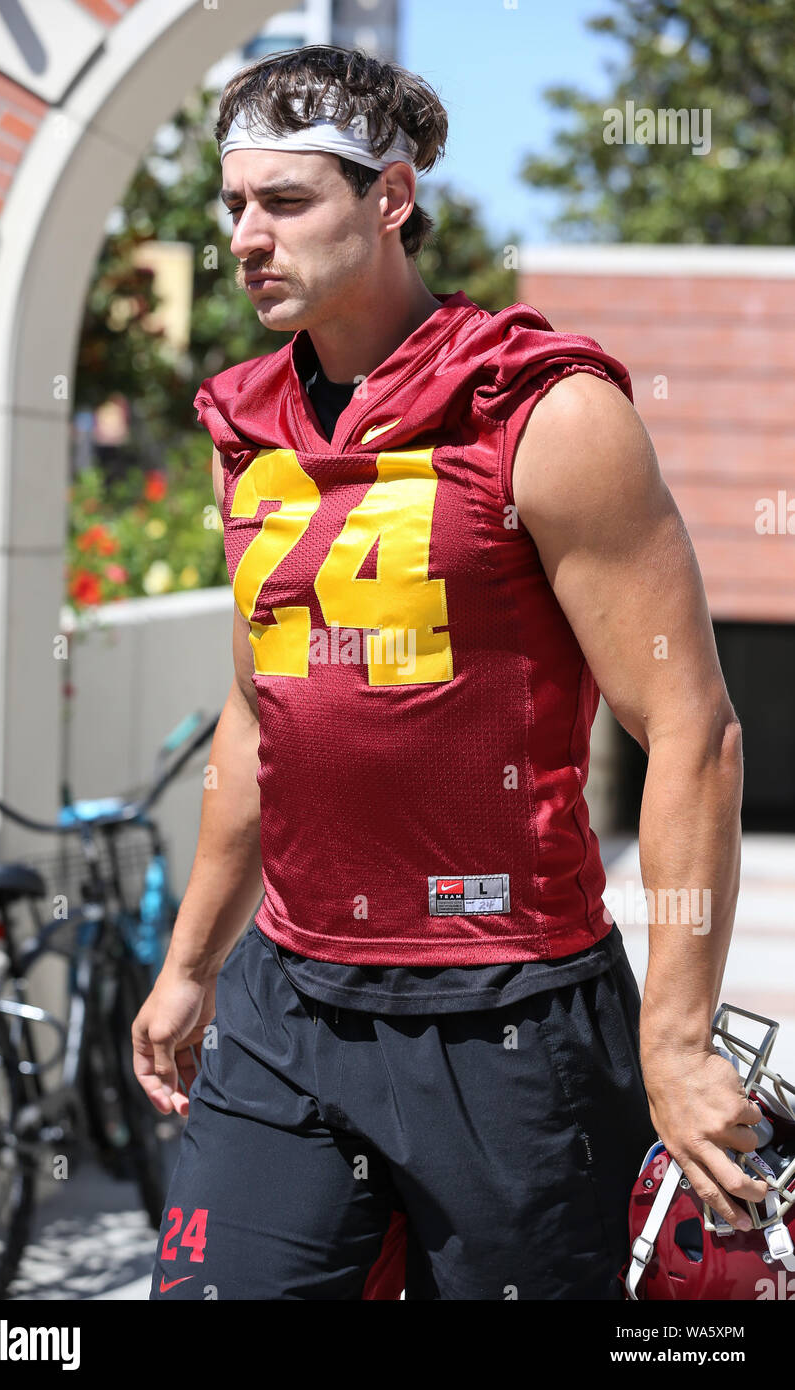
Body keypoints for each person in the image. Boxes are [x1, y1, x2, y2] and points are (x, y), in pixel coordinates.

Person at [134, 44, 766, 1301]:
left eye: (287, 202)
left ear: (391, 197)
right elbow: (266, 709)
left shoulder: (543, 411)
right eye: (235, 207)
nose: (248, 237)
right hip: (288, 1001)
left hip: (510, 1016)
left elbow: (690, 728)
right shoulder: (245, 424)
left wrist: (677, 1037)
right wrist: (193, 960)